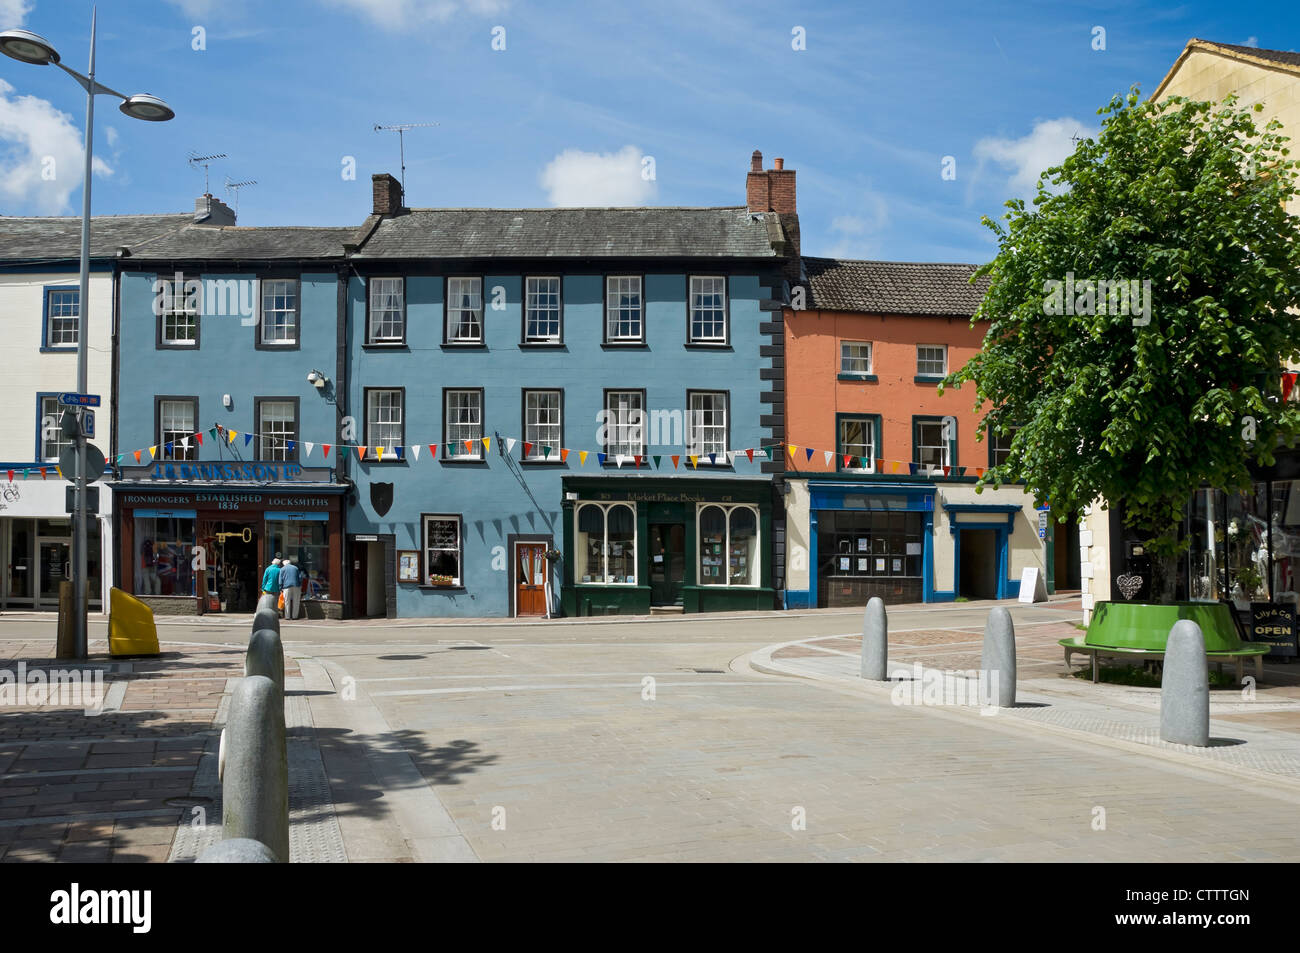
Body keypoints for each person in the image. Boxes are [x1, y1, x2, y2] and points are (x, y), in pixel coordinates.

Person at [280, 557, 302, 621]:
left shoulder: (282, 569)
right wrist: (300, 585)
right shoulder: (295, 568)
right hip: (296, 586)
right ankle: (295, 616)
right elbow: (300, 577)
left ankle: (287, 617)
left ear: (284, 564)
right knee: (296, 601)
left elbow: (280, 580)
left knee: (287, 601)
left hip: (286, 587)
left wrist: (280, 587)